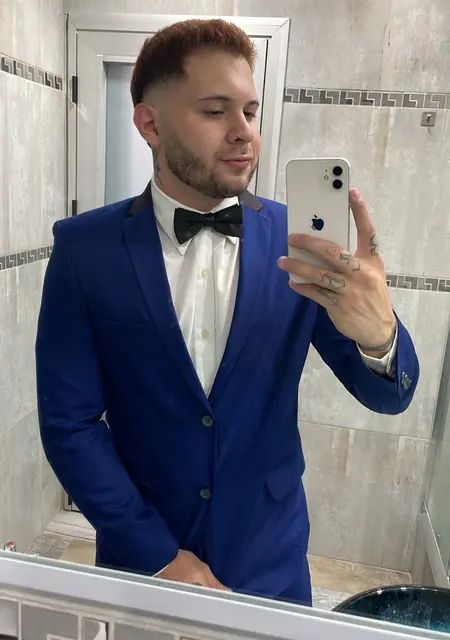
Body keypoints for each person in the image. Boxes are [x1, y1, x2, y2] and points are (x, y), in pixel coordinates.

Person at [35, 18, 419, 606]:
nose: (244, 133)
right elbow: (70, 425)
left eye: (250, 111)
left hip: (270, 560)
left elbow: (389, 398)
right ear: (150, 124)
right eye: (216, 111)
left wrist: (379, 337)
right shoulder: (85, 249)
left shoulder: (301, 244)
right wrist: (157, 556)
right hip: (144, 565)